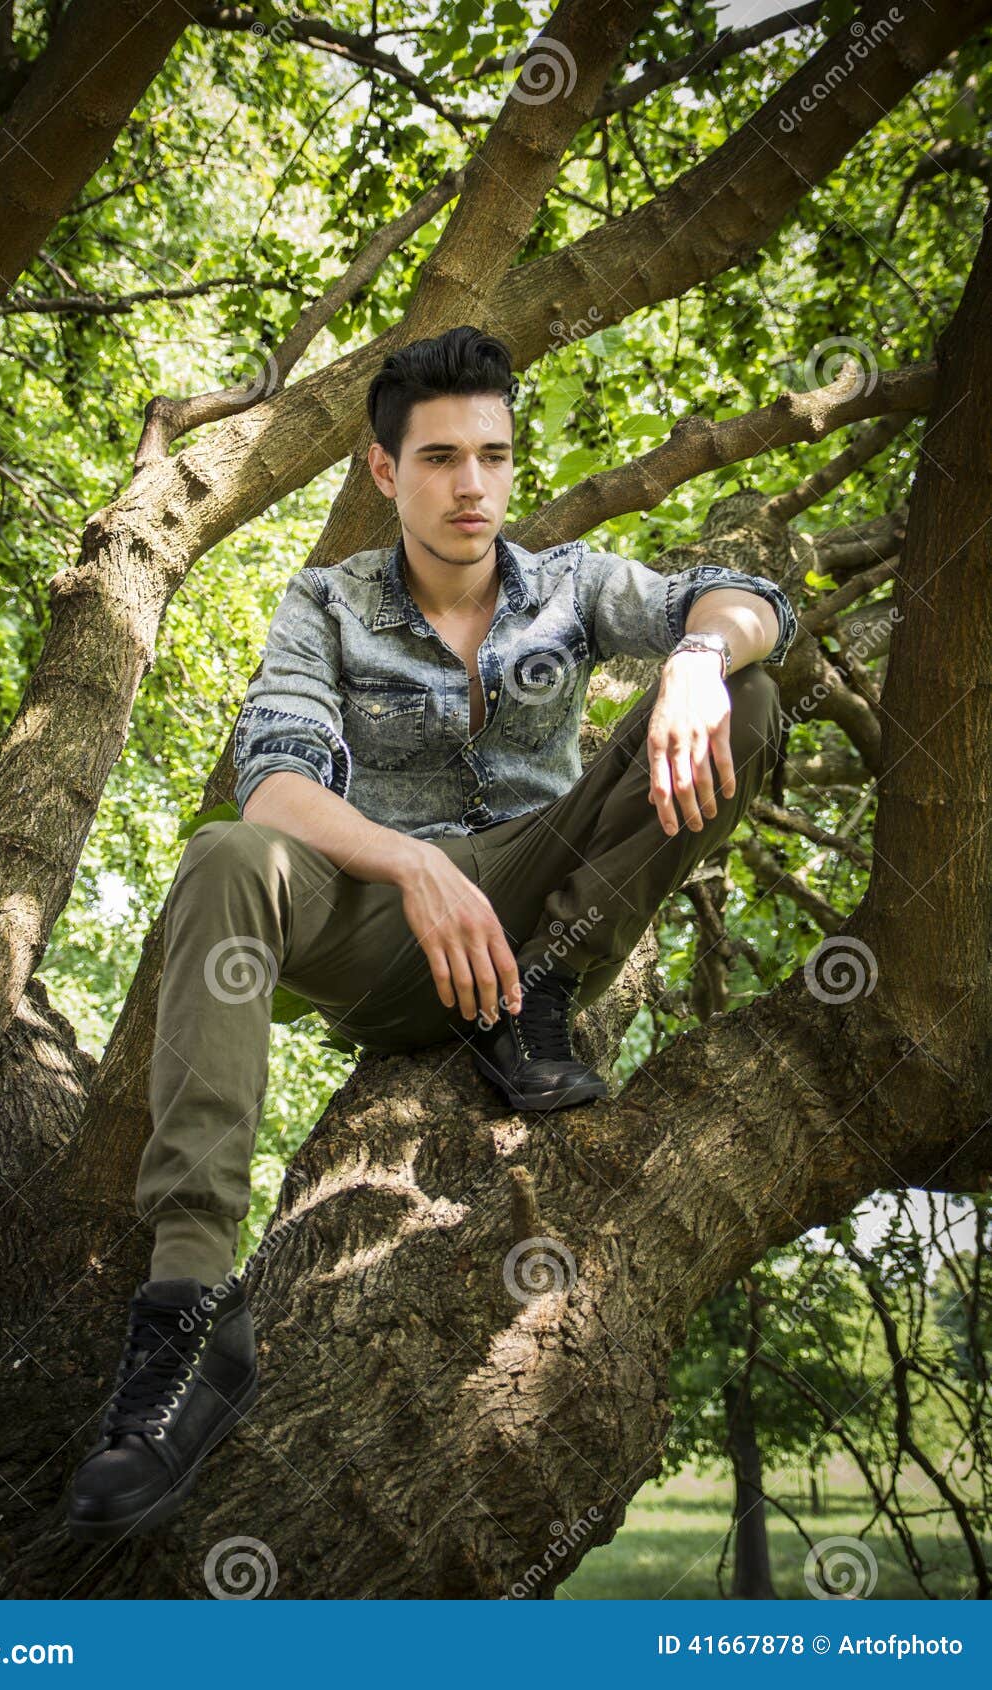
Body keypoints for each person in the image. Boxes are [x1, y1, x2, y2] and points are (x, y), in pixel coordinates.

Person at [65, 325, 797, 1542]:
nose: (472, 486)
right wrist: (408, 860)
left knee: (751, 700)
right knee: (226, 855)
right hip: (379, 934)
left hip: (535, 899)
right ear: (381, 471)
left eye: (494, 456)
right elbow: (274, 780)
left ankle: (535, 1000)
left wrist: (697, 657)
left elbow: (744, 603)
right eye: (442, 457)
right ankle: (191, 1305)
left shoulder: (569, 583)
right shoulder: (326, 604)